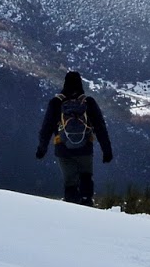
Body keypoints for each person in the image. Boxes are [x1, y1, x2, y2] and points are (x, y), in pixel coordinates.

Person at [35, 70, 112, 205]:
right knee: (86, 176)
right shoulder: (88, 102)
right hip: (85, 148)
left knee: (70, 181)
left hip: (62, 149)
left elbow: (46, 128)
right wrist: (107, 150)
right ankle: (87, 203)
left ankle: (71, 208)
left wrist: (42, 149)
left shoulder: (56, 103)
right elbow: (100, 127)